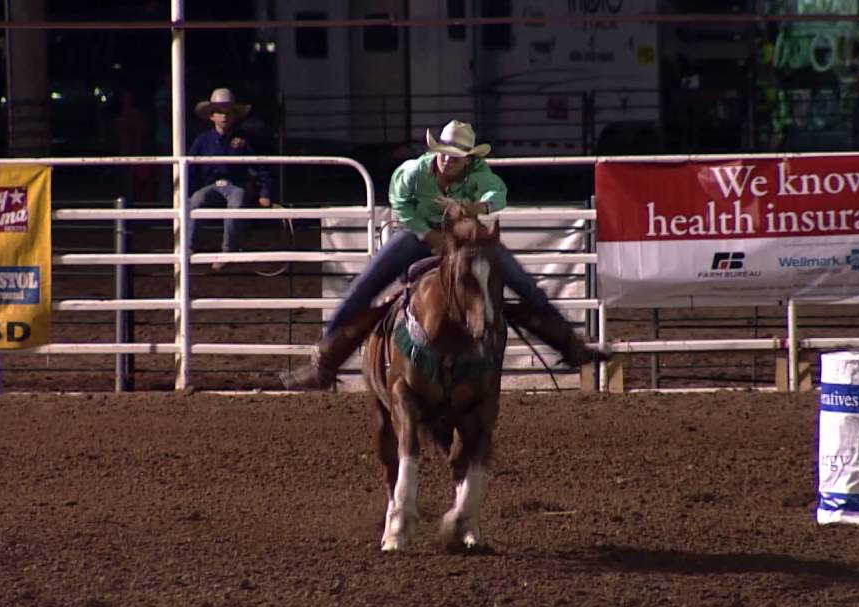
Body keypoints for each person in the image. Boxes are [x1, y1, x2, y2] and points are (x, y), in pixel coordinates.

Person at [283, 120, 610, 390]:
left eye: (456, 156)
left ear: (468, 159)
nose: (447, 159)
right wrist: (431, 237)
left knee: (525, 286)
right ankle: (324, 363)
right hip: (417, 234)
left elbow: (497, 193)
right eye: (443, 153)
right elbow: (401, 205)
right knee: (363, 288)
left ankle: (571, 346)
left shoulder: (478, 173)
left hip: (463, 236)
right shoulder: (414, 172)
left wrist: (478, 207)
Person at [187, 88, 273, 270]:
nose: (224, 116)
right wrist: (186, 192)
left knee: (236, 202)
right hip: (211, 186)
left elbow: (261, 166)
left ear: (234, 116)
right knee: (194, 201)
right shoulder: (202, 141)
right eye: (219, 112)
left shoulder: (244, 140)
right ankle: (188, 247)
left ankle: (228, 251)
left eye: (228, 112)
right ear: (212, 116)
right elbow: (190, 169)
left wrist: (264, 193)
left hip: (235, 186)